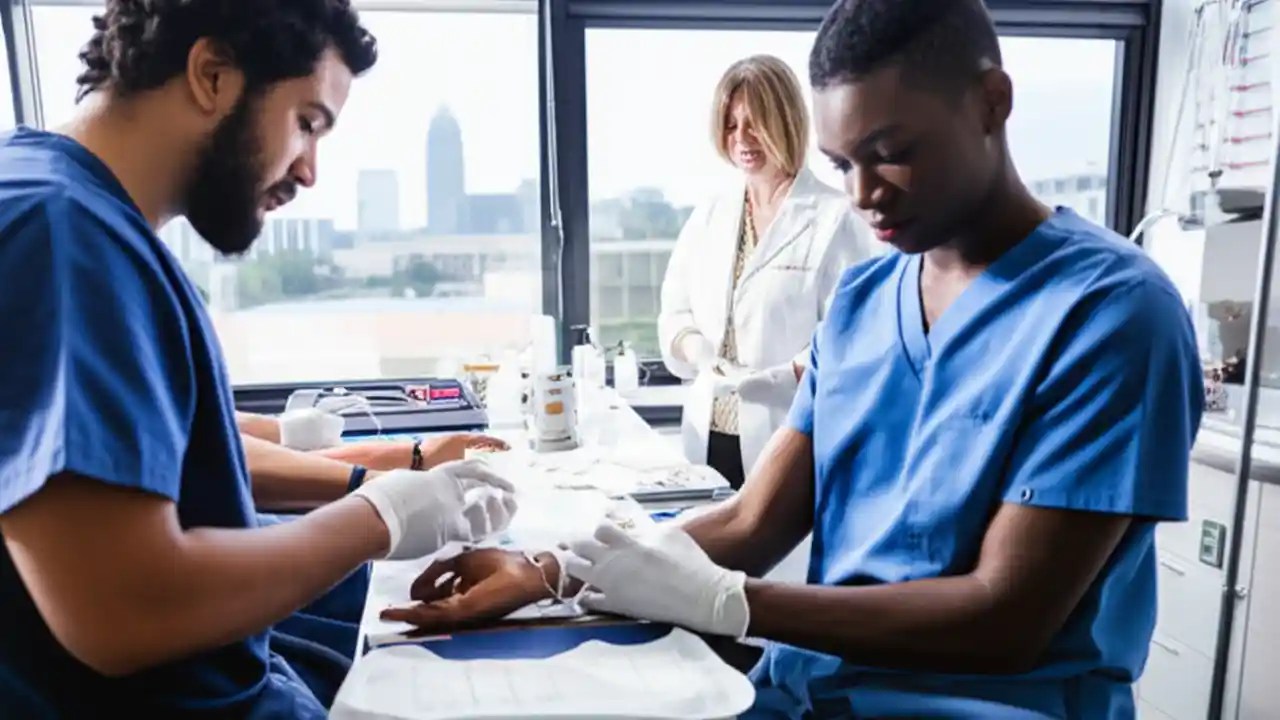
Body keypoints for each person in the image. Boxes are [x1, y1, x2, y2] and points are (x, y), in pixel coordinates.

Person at [378, 1, 1205, 717]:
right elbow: (753, 521)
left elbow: (1004, 619)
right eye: (843, 164)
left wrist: (731, 603)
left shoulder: (1111, 314)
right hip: (802, 694)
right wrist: (549, 571)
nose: (863, 194)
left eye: (893, 151)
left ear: (992, 103)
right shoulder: (865, 301)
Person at [0, 1, 518, 717]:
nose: (309, 170)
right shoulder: (66, 240)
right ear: (212, 75)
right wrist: (382, 516)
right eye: (307, 122)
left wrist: (382, 479)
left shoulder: (59, 202)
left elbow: (149, 456)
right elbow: (123, 609)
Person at [658, 54, 875, 489]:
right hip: (708, 435)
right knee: (705, 531)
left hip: (790, 432)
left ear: (786, 122)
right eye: (731, 125)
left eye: (755, 124)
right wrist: (699, 353)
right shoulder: (710, 216)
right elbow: (674, 313)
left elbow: (852, 336)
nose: (742, 138)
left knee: (777, 533)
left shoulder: (836, 219)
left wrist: (783, 377)